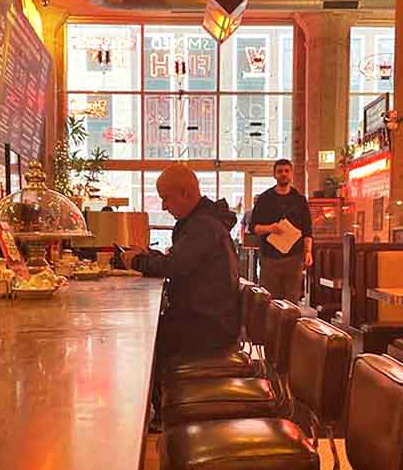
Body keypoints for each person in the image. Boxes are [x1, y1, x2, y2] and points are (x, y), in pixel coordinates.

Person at [123, 165, 240, 429]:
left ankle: (165, 416)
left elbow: (175, 266)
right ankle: (164, 410)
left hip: (208, 325)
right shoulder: (202, 221)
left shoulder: (203, 226)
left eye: (166, 198)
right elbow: (180, 261)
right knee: (150, 335)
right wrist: (149, 257)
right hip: (208, 317)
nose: (164, 206)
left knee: (144, 342)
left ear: (186, 193)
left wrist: (137, 261)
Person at [250, 158, 313, 303]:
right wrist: (270, 228)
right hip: (270, 258)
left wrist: (308, 252)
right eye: (280, 171)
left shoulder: (300, 200)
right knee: (270, 301)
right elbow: (253, 227)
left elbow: (307, 229)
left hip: (295, 257)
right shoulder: (265, 199)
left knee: (292, 300)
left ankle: (290, 320)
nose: (283, 174)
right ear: (274, 175)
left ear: (291, 174)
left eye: (286, 171)